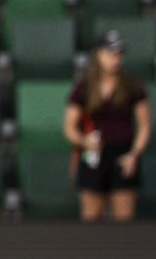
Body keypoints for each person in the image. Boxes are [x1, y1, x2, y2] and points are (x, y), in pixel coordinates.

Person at [64, 31, 149, 224]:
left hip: (123, 153)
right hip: (94, 154)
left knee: (124, 216)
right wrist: (84, 141)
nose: (115, 59)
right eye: (111, 54)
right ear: (99, 55)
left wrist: (134, 154)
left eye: (119, 54)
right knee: (91, 215)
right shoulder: (84, 88)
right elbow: (69, 127)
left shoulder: (132, 86)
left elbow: (144, 126)